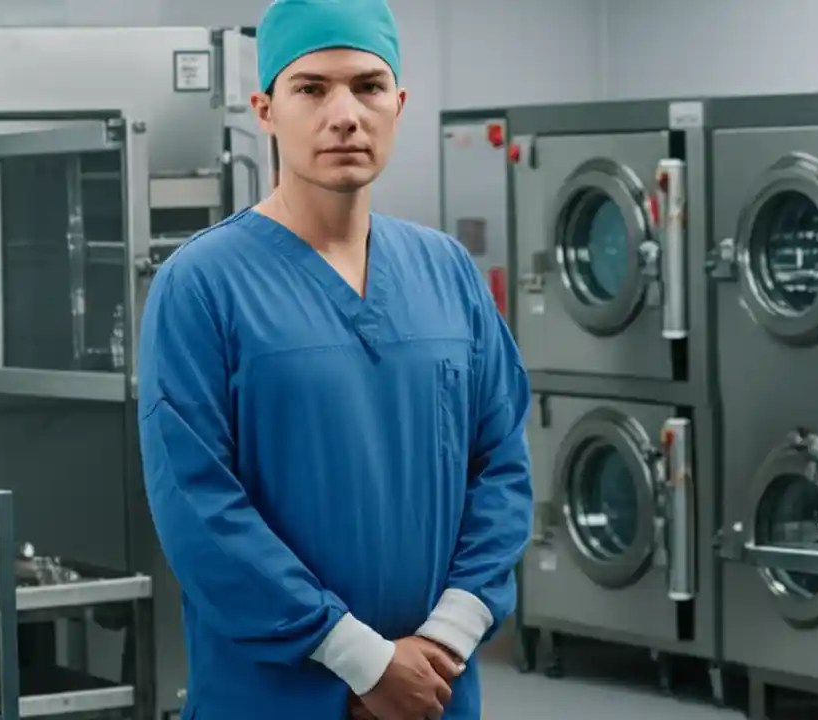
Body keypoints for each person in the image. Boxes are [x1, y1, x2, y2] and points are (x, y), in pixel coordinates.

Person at [136, 0, 532, 717]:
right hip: (278, 695)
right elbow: (199, 508)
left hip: (432, 693)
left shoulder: (446, 270)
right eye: (311, 88)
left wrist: (442, 642)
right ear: (264, 109)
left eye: (368, 86)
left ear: (399, 103)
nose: (344, 113)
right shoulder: (203, 285)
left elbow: (501, 467)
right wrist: (362, 661)